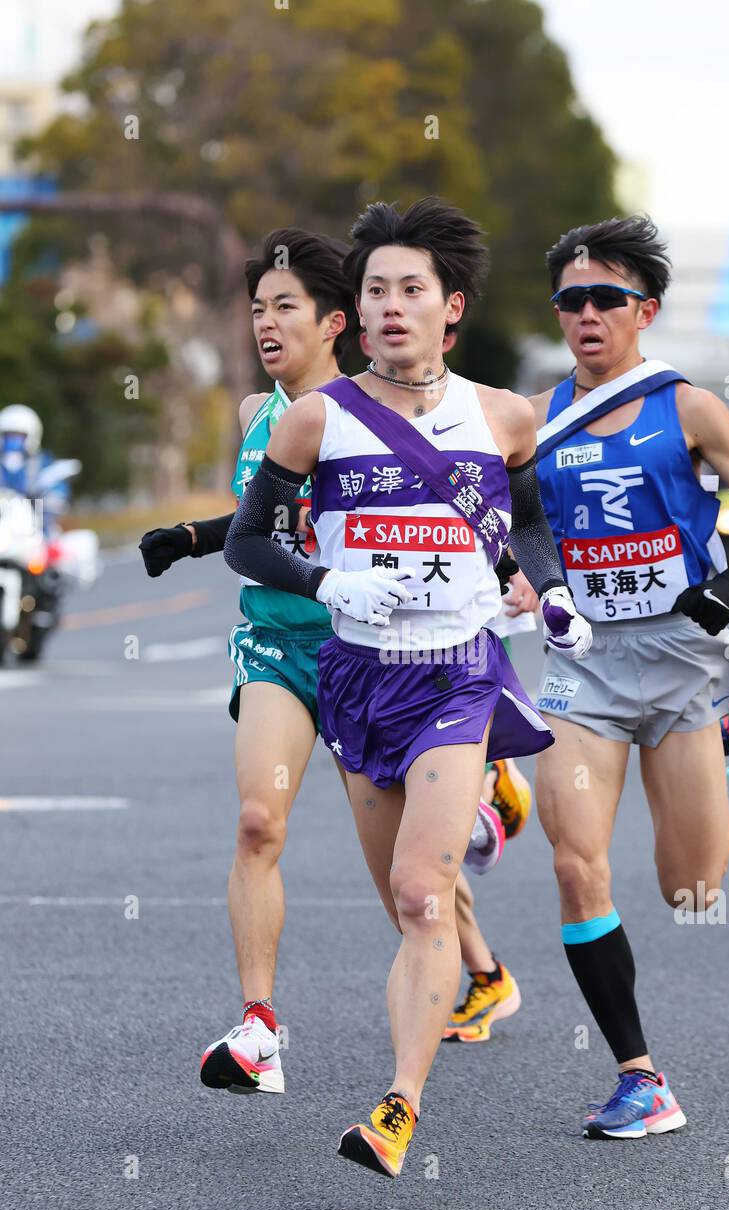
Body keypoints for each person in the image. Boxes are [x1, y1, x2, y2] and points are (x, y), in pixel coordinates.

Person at [224, 196, 592, 1177]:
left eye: (410, 290)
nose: (389, 306)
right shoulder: (313, 420)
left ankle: (398, 1104)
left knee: (424, 895)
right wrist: (325, 578)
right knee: (402, 903)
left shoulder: (504, 416)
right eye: (375, 289)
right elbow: (246, 539)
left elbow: (536, 520)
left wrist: (547, 593)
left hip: (455, 676)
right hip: (352, 678)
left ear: (450, 308)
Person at [138, 227, 522, 1098]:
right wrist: (193, 537)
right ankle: (259, 1026)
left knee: (411, 882)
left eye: (284, 309)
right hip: (280, 644)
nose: (265, 326)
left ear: (333, 322)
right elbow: (263, 528)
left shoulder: (376, 414)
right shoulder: (260, 416)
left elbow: (474, 518)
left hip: (382, 657)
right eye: (256, 311)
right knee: (256, 822)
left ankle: (484, 960)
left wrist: (520, 577)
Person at [523, 216, 729, 1138]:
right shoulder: (539, 417)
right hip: (586, 665)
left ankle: (720, 731)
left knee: (692, 889)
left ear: (646, 310)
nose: (587, 314)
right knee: (574, 863)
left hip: (682, 659)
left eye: (607, 299)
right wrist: (546, 585)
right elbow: (516, 525)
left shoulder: (689, 406)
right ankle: (640, 1076)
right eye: (571, 300)